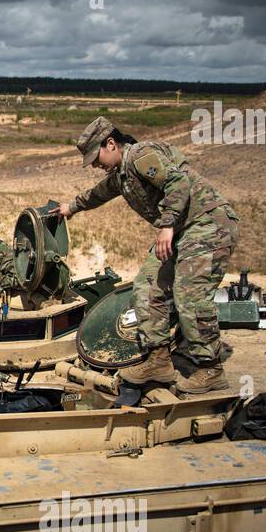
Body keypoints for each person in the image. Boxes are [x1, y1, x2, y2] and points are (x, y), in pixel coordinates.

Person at [56, 117, 239, 394]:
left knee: (189, 293)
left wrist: (166, 225)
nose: (95, 165)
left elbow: (178, 183)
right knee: (147, 287)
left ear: (111, 143)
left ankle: (210, 368)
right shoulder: (120, 174)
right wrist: (71, 207)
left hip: (206, 224)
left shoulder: (141, 155)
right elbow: (99, 193)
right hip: (179, 231)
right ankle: (158, 360)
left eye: (96, 157)